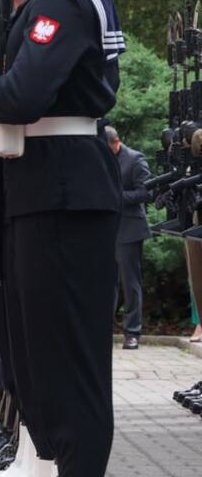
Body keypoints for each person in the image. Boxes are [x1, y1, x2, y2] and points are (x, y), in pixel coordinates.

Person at [0, 0, 145, 474]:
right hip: (52, 189)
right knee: (43, 357)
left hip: (61, 195)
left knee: (66, 367)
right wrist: (14, 3)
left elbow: (21, 97)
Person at [106, 126, 150, 349]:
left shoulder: (135, 159)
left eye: (109, 148)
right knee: (106, 281)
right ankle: (105, 328)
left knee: (130, 283)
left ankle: (132, 332)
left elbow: (146, 192)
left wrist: (115, 197)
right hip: (107, 229)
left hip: (130, 229)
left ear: (117, 142)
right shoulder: (102, 159)